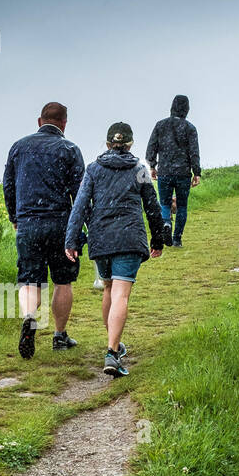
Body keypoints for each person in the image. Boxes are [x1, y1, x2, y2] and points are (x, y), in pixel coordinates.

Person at [64, 121, 165, 378]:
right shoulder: (139, 169)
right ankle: (111, 352)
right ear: (130, 144)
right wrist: (158, 239)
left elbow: (80, 205)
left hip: (102, 239)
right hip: (129, 238)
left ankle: (114, 343)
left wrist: (72, 240)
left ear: (108, 144)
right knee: (121, 294)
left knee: (108, 288)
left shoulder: (94, 169)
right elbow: (152, 207)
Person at [2, 101, 85, 359]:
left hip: (29, 223)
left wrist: (15, 217)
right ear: (64, 124)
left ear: (40, 121)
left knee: (29, 279)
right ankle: (60, 336)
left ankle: (29, 317)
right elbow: (79, 193)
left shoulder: (19, 147)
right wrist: (79, 225)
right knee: (63, 279)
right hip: (60, 223)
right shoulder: (70, 149)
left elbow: (8, 185)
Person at [145, 94, 201, 247]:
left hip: (165, 171)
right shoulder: (190, 128)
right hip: (183, 173)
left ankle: (166, 225)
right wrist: (196, 172)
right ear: (187, 109)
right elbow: (194, 152)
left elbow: (151, 148)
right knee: (182, 205)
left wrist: (152, 166)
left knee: (164, 203)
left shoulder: (160, 125)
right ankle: (177, 239)